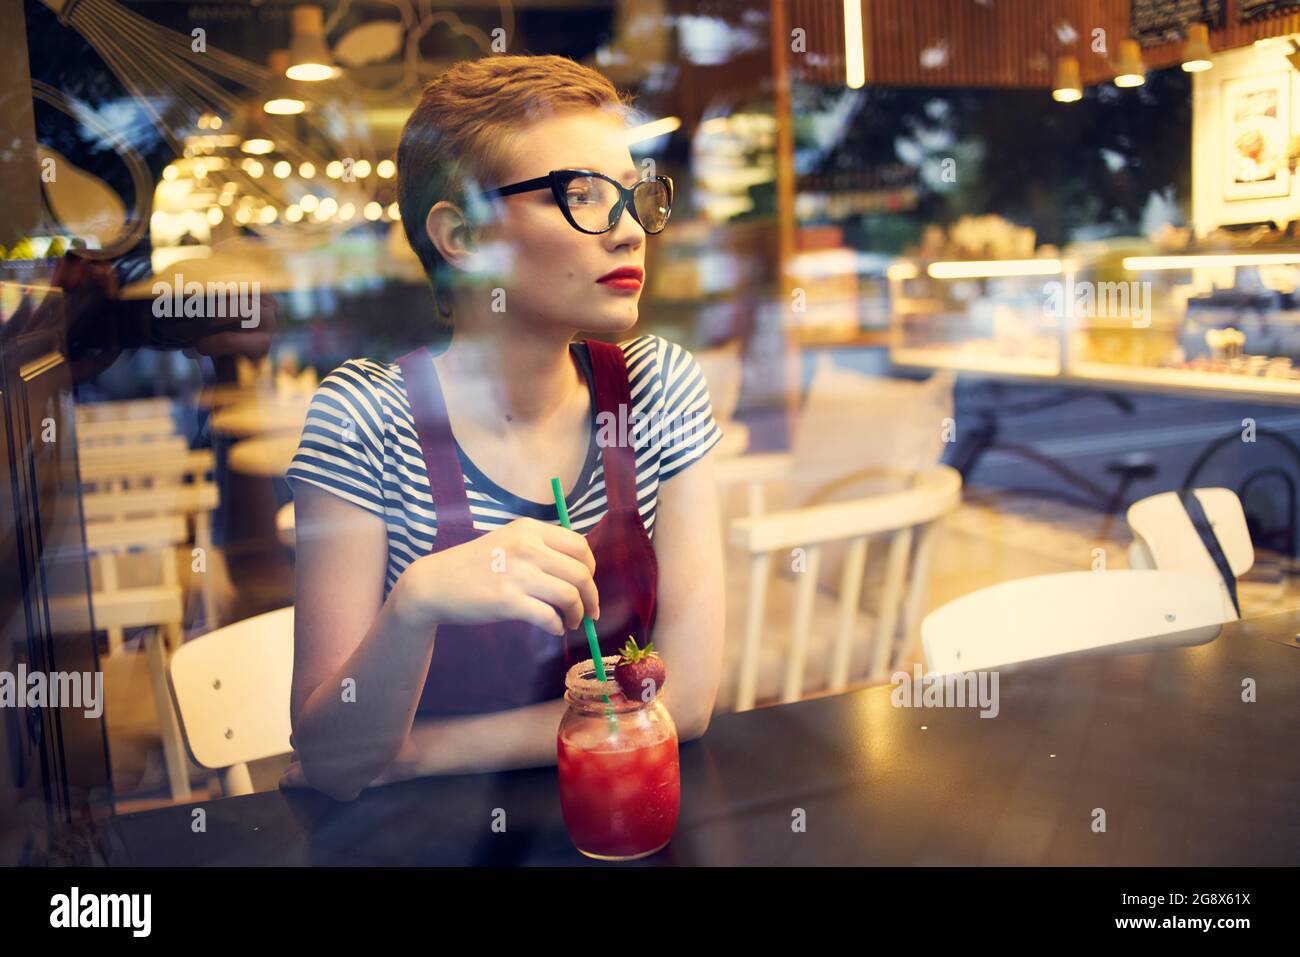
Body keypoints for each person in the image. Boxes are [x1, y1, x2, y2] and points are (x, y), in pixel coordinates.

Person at [281, 55, 726, 801]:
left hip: (615, 820)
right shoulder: (365, 419)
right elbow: (331, 756)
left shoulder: (655, 387)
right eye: (580, 194)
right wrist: (416, 601)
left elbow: (688, 702)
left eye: (633, 194)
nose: (628, 232)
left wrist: (421, 751)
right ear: (462, 235)